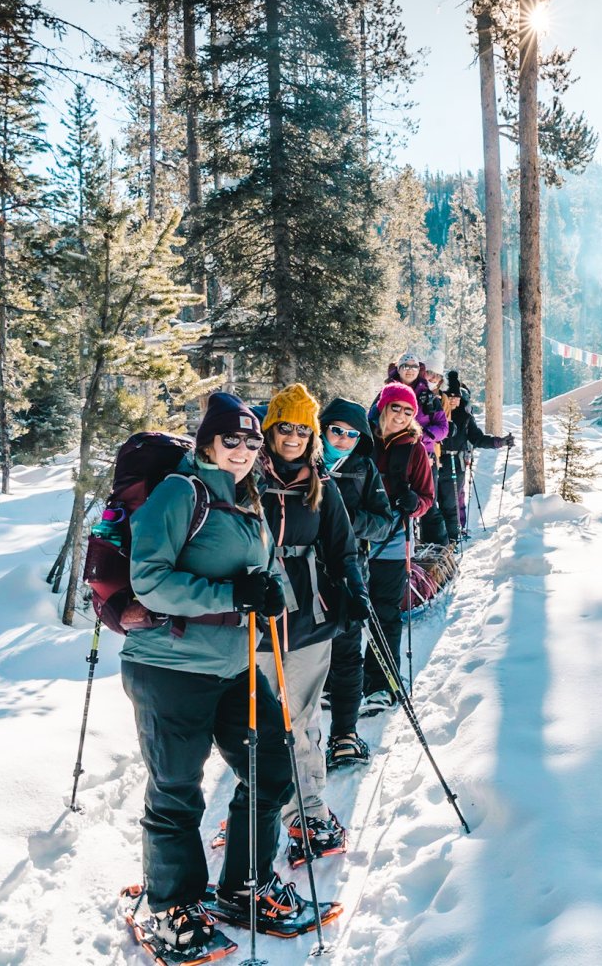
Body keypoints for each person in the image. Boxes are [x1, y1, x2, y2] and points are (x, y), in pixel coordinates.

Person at [121, 392, 312, 953]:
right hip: (169, 667)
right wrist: (233, 594)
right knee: (178, 790)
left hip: (232, 667)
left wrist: (273, 590)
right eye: (233, 439)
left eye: (254, 441)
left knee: (272, 767)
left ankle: (243, 887)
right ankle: (172, 906)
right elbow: (149, 581)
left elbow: (267, 573)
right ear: (208, 441)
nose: (245, 450)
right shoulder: (181, 492)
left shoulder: (247, 501)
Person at [254, 384, 374, 863]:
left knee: (302, 721)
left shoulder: (319, 482)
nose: (294, 437)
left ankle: (309, 813)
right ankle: (257, 812)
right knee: (257, 724)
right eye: (286, 426)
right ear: (271, 428)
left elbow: (342, 545)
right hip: (253, 619)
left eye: (304, 429)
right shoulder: (245, 478)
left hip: (308, 616)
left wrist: (356, 588)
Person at [318, 397, 397, 767]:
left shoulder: (364, 468)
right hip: (304, 574)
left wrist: (346, 519)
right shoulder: (306, 464)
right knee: (300, 653)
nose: (344, 439)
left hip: (351, 570)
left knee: (348, 653)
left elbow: (383, 522)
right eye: (336, 431)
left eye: (352, 434)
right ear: (323, 428)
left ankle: (344, 735)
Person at [360, 382, 435, 716]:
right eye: (396, 408)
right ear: (383, 407)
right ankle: (341, 680)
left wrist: (414, 502)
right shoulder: (361, 440)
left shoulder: (415, 449)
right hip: (355, 533)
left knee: (386, 610)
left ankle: (381, 682)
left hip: (392, 537)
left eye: (409, 412)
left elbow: (427, 498)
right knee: (346, 608)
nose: (402, 416)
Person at [373, 353, 449, 543]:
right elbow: (371, 417)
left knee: (428, 508)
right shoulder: (384, 392)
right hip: (385, 450)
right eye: (405, 366)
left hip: (420, 454)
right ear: (397, 369)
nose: (409, 370)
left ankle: (437, 550)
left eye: (413, 366)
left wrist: (419, 438)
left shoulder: (429, 397)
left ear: (419, 369)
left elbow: (443, 427)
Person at [435, 369, 513, 547]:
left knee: (450, 504)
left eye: (457, 396)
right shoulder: (435, 413)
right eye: (450, 396)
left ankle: (453, 539)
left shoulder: (465, 417)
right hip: (434, 462)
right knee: (432, 505)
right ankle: (435, 539)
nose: (454, 399)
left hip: (456, 463)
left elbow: (477, 438)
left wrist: (499, 442)